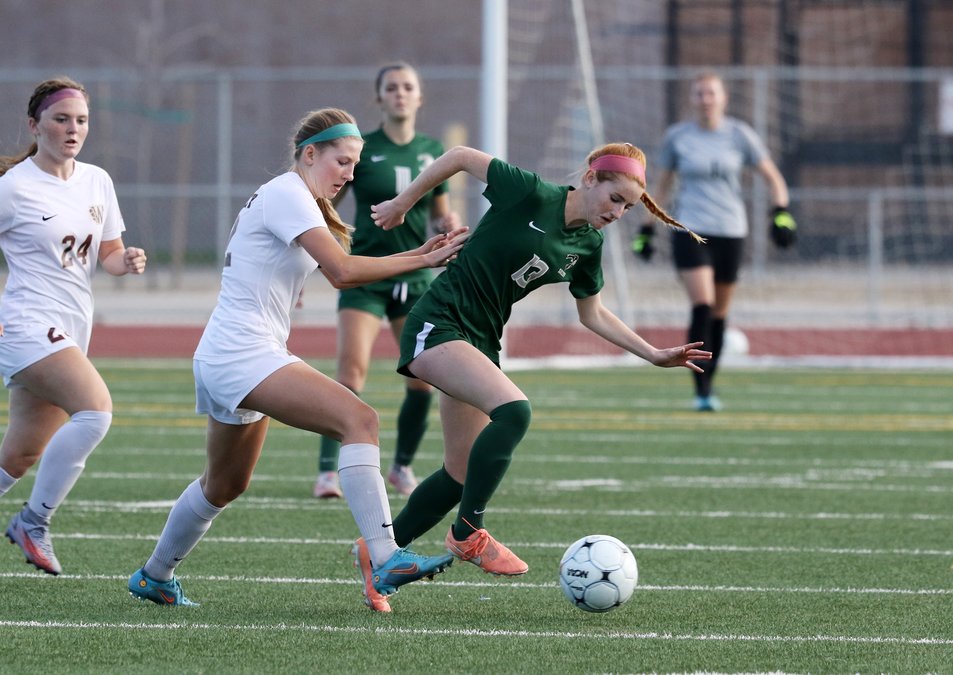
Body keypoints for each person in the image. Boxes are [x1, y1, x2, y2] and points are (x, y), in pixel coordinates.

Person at [126, 108, 467, 611]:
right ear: (310, 153)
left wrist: (415, 253)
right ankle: (386, 554)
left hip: (233, 351)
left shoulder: (293, 198)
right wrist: (422, 257)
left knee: (223, 484)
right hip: (242, 352)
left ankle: (155, 575)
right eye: (342, 161)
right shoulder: (288, 192)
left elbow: (276, 262)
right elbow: (344, 272)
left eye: (354, 164)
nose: (350, 174)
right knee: (361, 419)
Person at [365, 141, 712, 612]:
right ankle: (468, 534)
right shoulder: (530, 192)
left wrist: (651, 353)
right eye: (615, 199)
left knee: (459, 473)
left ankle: (378, 557)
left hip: (481, 339)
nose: (619, 213)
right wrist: (406, 203)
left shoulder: (589, 241)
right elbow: (460, 155)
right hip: (439, 322)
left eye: (628, 208)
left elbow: (593, 314)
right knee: (515, 412)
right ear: (591, 179)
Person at [0, 77, 148, 575]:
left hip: (71, 327)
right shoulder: (15, 186)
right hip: (26, 323)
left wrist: (124, 260)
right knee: (96, 410)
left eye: (81, 120)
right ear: (34, 125)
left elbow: (105, 252)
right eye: (61, 119)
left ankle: (30, 516)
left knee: (18, 456)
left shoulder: (96, 180)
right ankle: (33, 521)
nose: (72, 129)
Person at [314, 62, 461, 501]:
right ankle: (327, 471)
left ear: (420, 97)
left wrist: (449, 222)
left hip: (413, 275)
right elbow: (323, 202)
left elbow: (440, 212)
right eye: (391, 88)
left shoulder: (433, 150)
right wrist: (319, 254)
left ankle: (401, 467)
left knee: (422, 379)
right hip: (365, 273)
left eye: (407, 87)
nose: (400, 93)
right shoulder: (361, 148)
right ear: (379, 98)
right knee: (351, 372)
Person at [631, 70, 796, 412]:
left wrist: (780, 214)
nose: (705, 99)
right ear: (692, 99)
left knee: (720, 314)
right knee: (702, 304)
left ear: (723, 98)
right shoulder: (678, 137)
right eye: (699, 94)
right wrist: (646, 228)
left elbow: (774, 178)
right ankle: (699, 384)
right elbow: (660, 187)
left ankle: (709, 385)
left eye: (711, 93)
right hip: (690, 229)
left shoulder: (740, 135)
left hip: (731, 230)